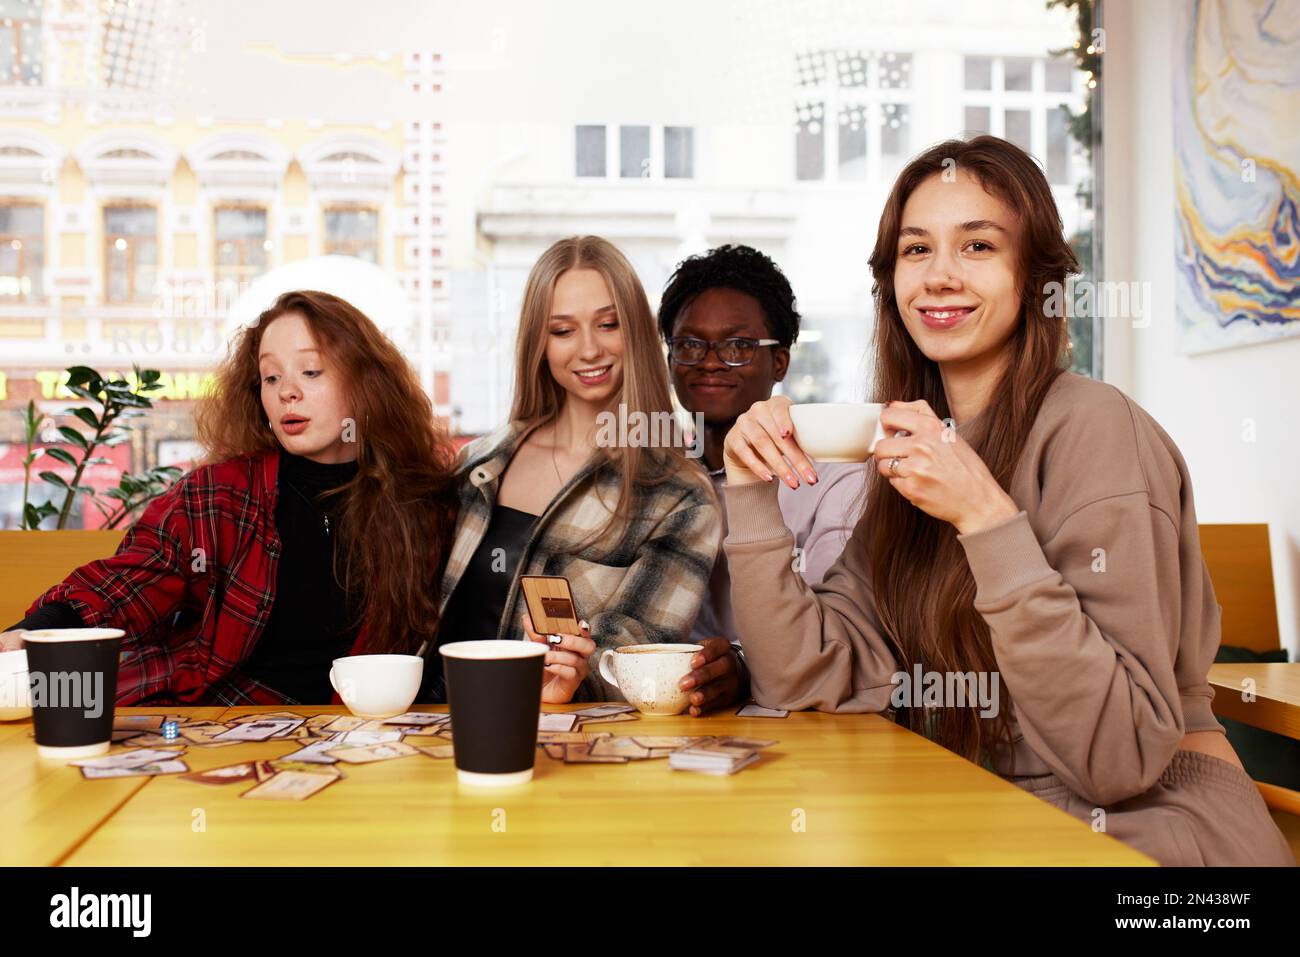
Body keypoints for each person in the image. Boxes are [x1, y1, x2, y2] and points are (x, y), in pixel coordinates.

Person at [720, 136, 1293, 866]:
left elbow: (1115, 757)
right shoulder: (921, 447)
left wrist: (986, 518)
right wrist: (752, 493)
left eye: (979, 246)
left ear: (1036, 274)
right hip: (986, 807)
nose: (940, 276)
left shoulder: (1095, 426)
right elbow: (810, 677)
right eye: (916, 250)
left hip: (1150, 834)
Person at [1, 290, 459, 706]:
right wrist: (39, 630)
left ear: (367, 383)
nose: (287, 391)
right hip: (219, 718)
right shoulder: (219, 493)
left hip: (360, 736)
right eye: (270, 377)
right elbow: (133, 579)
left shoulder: (421, 503)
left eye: (310, 370)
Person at [430, 235, 722, 704]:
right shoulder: (479, 464)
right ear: (538, 343)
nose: (588, 350)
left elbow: (635, 665)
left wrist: (573, 680)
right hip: (428, 730)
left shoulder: (680, 496)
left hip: (558, 743)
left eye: (608, 324)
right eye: (562, 331)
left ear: (636, 332)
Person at [658, 244, 865, 715]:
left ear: (780, 363)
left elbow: (838, 635)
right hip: (671, 719)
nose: (710, 362)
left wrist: (744, 665)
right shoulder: (657, 474)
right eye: (690, 344)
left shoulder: (835, 477)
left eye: (738, 347)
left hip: (804, 726)